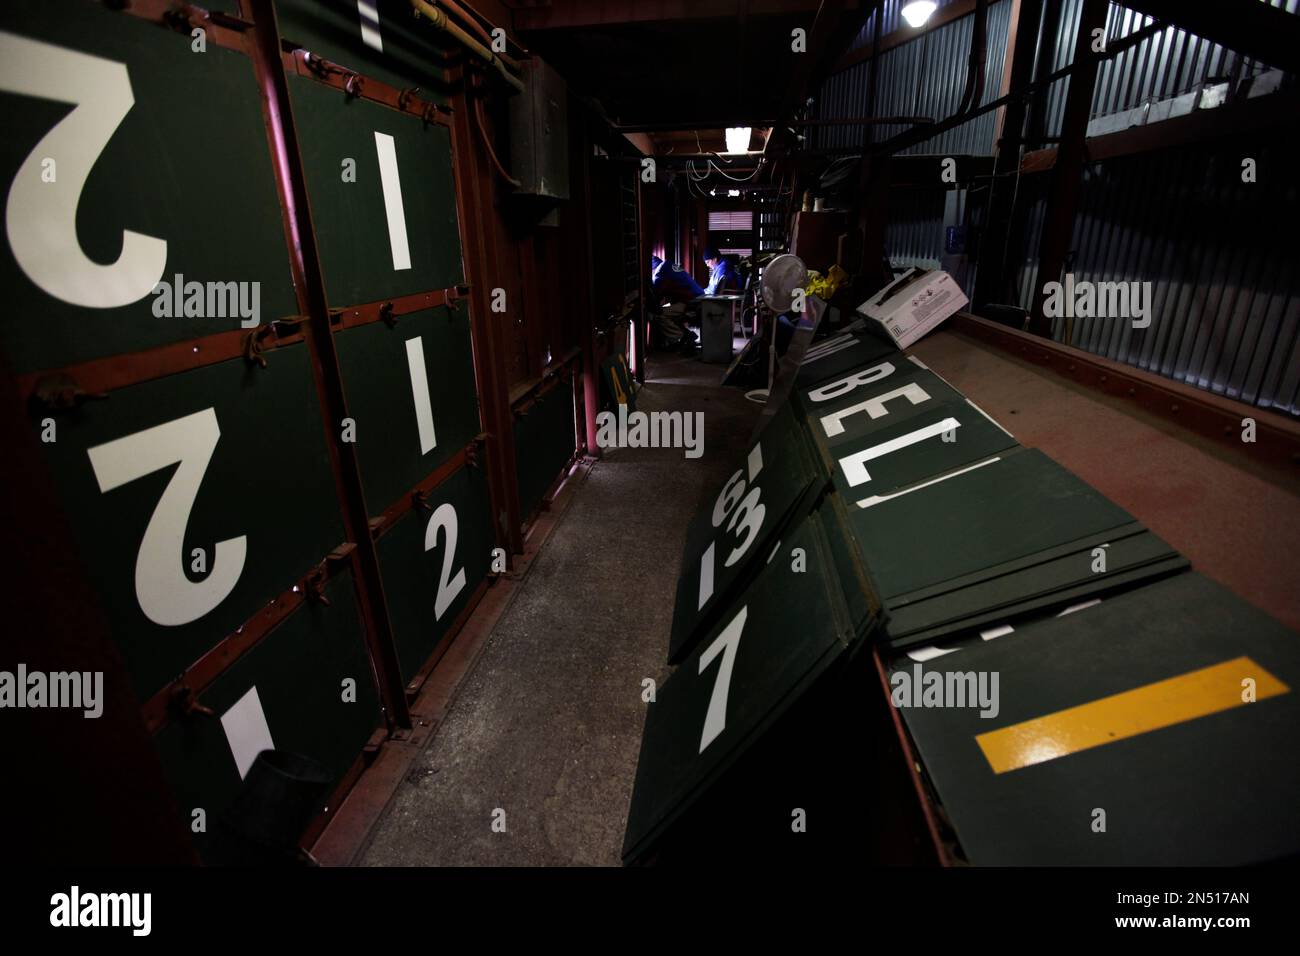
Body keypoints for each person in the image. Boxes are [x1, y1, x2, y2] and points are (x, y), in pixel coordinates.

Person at [649, 256, 704, 351]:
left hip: (691, 302)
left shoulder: (660, 273)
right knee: (669, 312)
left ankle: (679, 337)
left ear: (652, 269)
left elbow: (657, 295)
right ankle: (688, 335)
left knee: (659, 315)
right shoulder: (669, 265)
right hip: (699, 299)